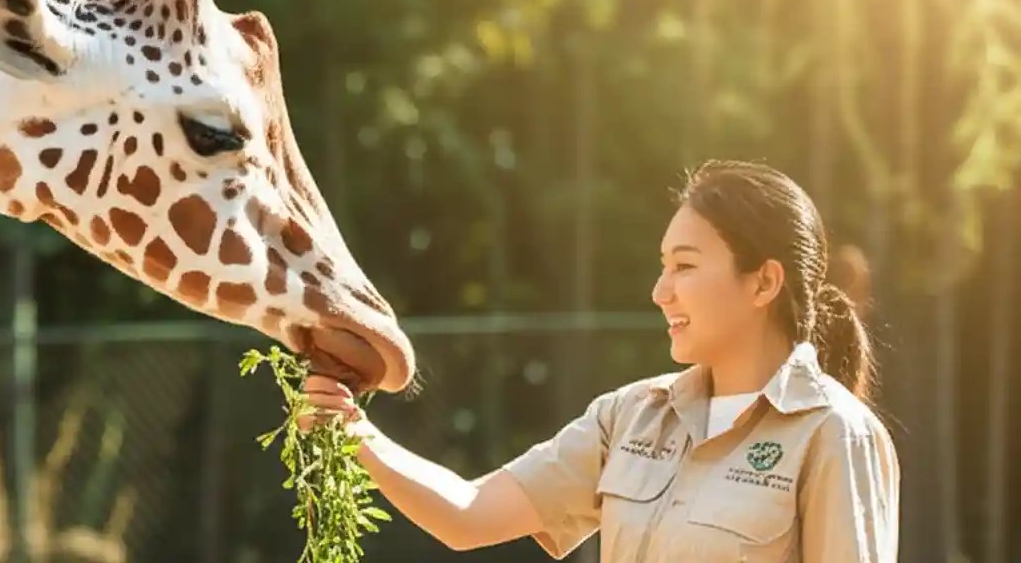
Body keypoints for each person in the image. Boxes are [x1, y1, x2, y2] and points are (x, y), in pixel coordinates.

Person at [300, 159, 900, 561]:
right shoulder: (632, 417)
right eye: (663, 265)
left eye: (685, 266)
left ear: (764, 281)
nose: (660, 290)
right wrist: (355, 433)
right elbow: (469, 514)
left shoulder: (833, 434)